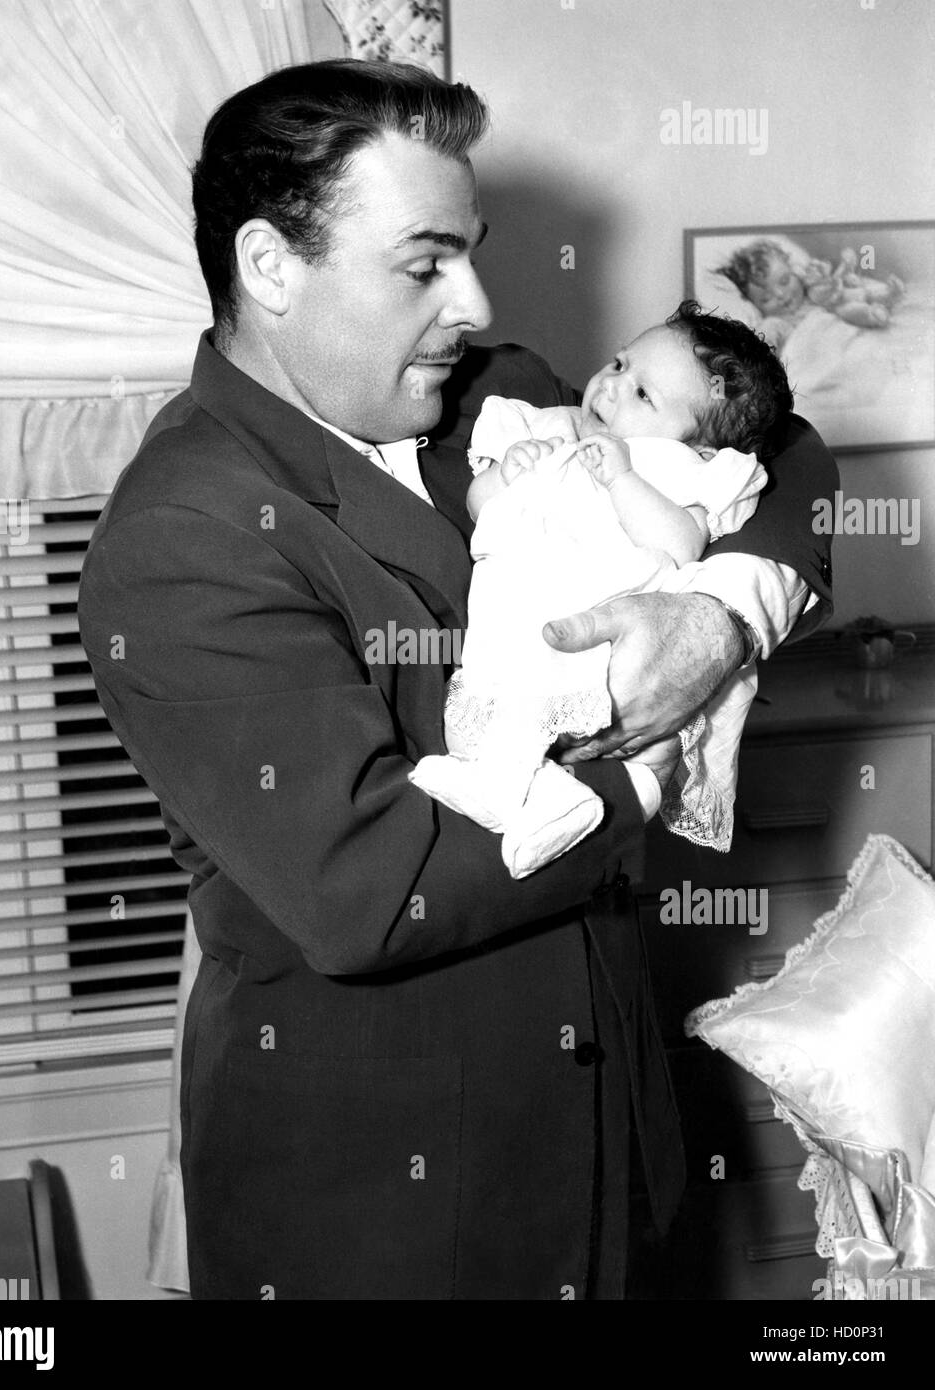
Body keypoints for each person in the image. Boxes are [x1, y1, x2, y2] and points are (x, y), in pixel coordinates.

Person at [77, 59, 837, 1300]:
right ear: (271, 268)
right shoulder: (183, 538)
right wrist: (641, 786)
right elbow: (376, 891)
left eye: (470, 252)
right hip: (393, 1219)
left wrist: (721, 622)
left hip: (612, 1145)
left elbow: (791, 459)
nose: (476, 302)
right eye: (426, 264)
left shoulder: (491, 393)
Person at [410, 301, 793, 876]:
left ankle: (552, 795)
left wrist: (623, 477)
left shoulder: (678, 468)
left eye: (644, 395)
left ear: (704, 447)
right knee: (493, 696)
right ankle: (541, 800)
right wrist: (504, 474)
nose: (611, 388)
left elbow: (682, 542)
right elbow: (482, 508)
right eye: (619, 365)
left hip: (598, 619)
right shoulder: (548, 422)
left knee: (545, 693)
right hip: (517, 600)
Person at [719, 238, 905, 349]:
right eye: (766, 299)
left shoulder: (809, 292)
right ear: (754, 305)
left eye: (784, 281)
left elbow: (836, 290)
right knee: (842, 310)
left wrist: (838, 273)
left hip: (837, 321)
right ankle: (871, 314)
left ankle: (884, 298)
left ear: (794, 271)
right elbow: (761, 346)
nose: (781, 296)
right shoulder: (776, 323)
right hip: (815, 344)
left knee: (846, 301)